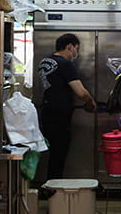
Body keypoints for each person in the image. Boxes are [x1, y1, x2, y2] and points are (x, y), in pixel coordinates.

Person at [37, 33, 93, 182]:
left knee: (54, 154)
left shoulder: (44, 62)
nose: (77, 53)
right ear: (69, 47)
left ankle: (51, 187)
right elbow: (81, 92)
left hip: (47, 113)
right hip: (59, 117)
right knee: (59, 155)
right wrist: (90, 101)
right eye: (76, 49)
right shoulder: (65, 64)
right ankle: (54, 191)